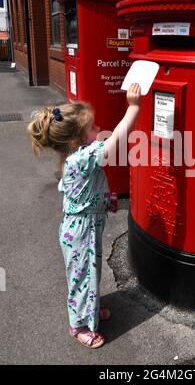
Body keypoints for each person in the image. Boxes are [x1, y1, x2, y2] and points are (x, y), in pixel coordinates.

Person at [27, 83, 141, 349]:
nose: (98, 127)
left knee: (89, 273)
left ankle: (90, 306)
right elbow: (114, 142)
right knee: (80, 278)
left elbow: (83, 193)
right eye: (92, 127)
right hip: (80, 233)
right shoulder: (82, 158)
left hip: (84, 228)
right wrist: (133, 107)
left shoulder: (74, 158)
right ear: (75, 140)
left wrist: (106, 200)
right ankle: (78, 325)